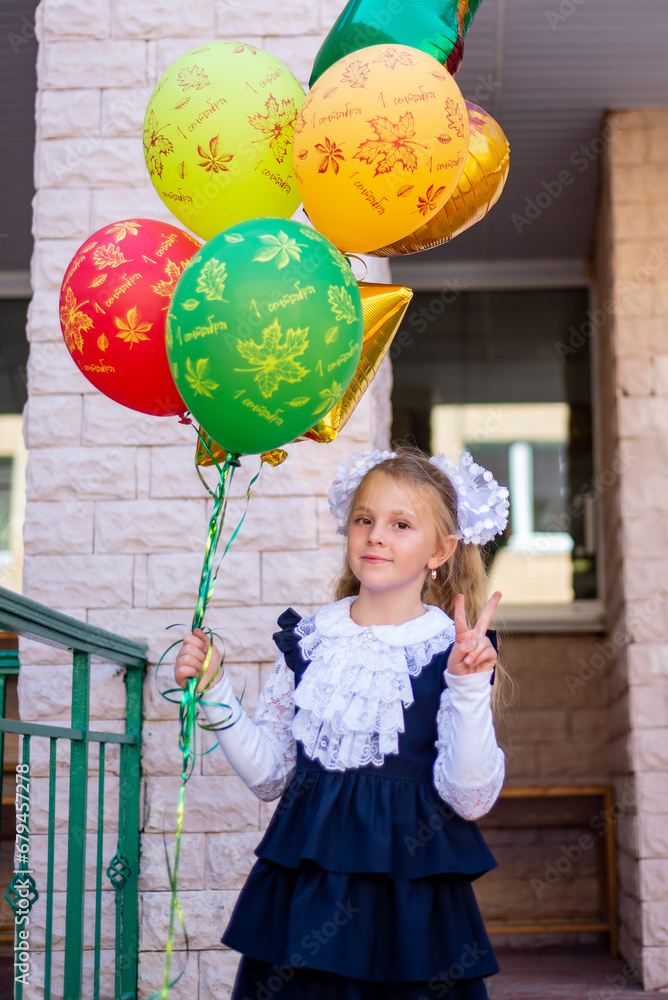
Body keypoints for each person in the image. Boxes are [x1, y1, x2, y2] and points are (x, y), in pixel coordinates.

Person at [174, 445, 511, 1000]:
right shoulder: (309, 640)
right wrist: (214, 690)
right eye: (365, 519)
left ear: (441, 550)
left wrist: (469, 687)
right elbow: (269, 777)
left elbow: (470, 798)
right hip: (305, 899)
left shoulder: (454, 650)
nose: (377, 535)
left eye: (401, 524)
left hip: (411, 902)